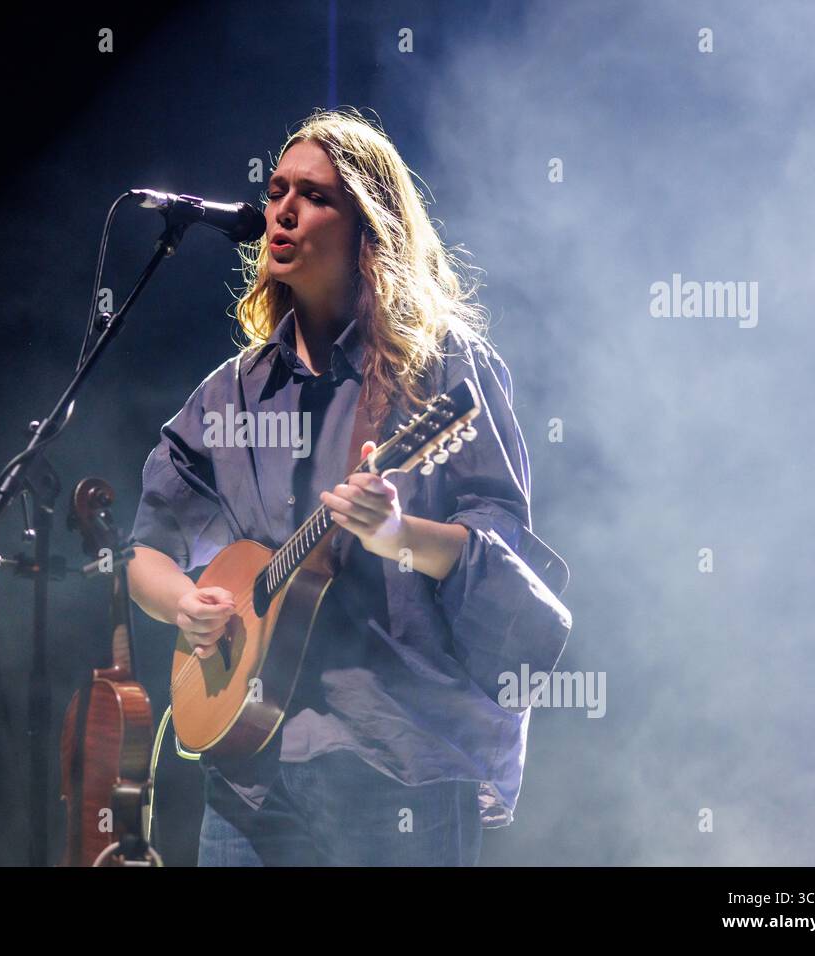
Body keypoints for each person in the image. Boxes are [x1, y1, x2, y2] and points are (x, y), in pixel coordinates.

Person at [126, 107, 572, 866]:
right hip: (249, 777)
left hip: (397, 764)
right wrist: (185, 606)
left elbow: (502, 551)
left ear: (371, 228)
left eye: (315, 195)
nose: (283, 210)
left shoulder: (444, 371)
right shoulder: (233, 392)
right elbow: (144, 549)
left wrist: (396, 533)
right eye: (275, 190)